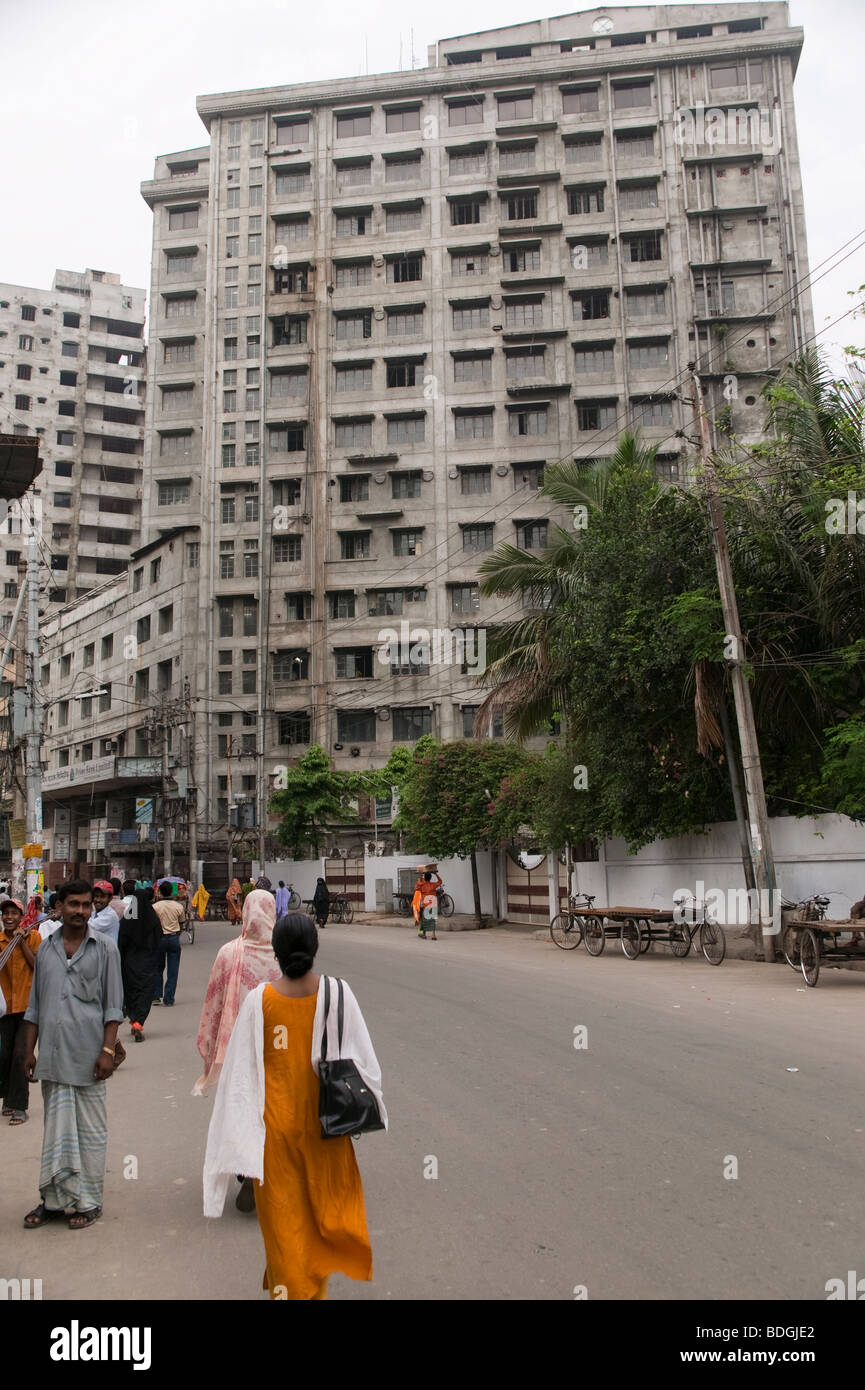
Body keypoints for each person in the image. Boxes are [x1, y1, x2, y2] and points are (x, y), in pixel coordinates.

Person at [203, 913, 386, 1300]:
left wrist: (237, 1141)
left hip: (275, 1141)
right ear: (316, 949)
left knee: (286, 1232)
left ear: (276, 952)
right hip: (328, 1133)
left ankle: (288, 1288)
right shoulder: (339, 993)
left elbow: (239, 1079)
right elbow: (366, 1066)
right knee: (322, 1228)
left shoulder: (260, 1002)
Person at [22, 879, 124, 1229]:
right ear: (60, 907)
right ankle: (52, 1201)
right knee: (56, 1132)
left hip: (90, 1058)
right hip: (52, 1056)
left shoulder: (106, 948)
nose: (81, 911)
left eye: (86, 905)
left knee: (90, 1132)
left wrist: (108, 1050)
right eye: (74, 904)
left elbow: (113, 1007)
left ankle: (89, 1202)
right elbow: (34, 1007)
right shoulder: (46, 949)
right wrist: (28, 1051)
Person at [194, 891, 282, 1211]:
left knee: (245, 1109)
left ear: (245, 913)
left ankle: (247, 1175)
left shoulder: (229, 953)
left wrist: (211, 1042)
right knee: (273, 1113)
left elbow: (214, 1003)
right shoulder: (286, 953)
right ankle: (269, 1178)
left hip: (238, 1048)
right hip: (279, 1049)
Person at [0, 898, 42, 1125]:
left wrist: (21, 942)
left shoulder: (33, 937)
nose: (8, 917)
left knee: (20, 1056)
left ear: (21, 915)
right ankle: (7, 1097)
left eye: (13, 913)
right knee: (3, 1055)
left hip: (28, 1008)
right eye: (5, 913)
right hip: (4, 1008)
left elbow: (38, 966)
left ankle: (19, 1106)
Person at [118, 889, 162, 1043]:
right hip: (148, 962)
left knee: (132, 991)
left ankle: (134, 1019)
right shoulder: (153, 920)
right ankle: (138, 1023)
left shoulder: (126, 920)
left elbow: (121, 943)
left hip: (130, 963)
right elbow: (159, 942)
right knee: (145, 993)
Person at [152, 881, 185, 1006]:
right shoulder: (178, 906)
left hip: (159, 939)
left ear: (159, 891)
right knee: (173, 969)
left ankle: (156, 995)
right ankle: (169, 998)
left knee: (157, 968)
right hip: (173, 938)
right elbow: (182, 923)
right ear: (172, 891)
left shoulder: (155, 907)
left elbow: (153, 924)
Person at [413, 870, 441, 941]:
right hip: (433, 903)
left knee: (425, 919)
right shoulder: (433, 885)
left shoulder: (422, 885)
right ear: (430, 878)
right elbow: (440, 882)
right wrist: (436, 874)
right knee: (433, 919)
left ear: (424, 878)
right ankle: (433, 935)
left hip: (426, 904)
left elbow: (416, 888)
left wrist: (420, 880)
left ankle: (424, 934)